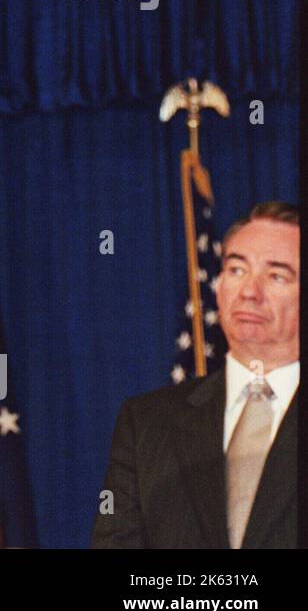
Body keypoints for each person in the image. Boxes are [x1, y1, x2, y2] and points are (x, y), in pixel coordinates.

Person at [92, 201, 299, 548]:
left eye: (276, 275)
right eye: (236, 270)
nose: (249, 292)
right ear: (217, 286)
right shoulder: (147, 421)